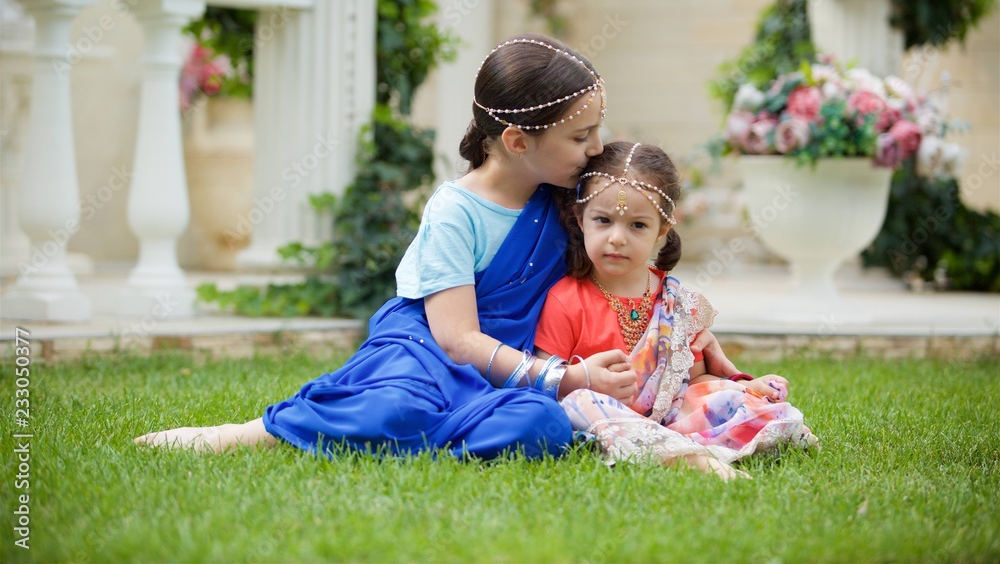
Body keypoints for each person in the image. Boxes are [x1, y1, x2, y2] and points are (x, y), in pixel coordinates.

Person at [136, 35, 646, 459]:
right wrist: (566, 377)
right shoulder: (455, 212)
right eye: (581, 137)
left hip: (509, 372)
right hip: (426, 356)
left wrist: (690, 332)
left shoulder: (571, 196)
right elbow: (458, 341)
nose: (597, 148)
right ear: (517, 142)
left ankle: (403, 442)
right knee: (395, 410)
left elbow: (640, 232)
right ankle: (246, 435)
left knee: (542, 426)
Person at [534, 142, 817, 480]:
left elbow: (693, 380)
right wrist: (588, 382)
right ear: (581, 219)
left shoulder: (674, 299)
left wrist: (743, 387)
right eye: (603, 220)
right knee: (578, 401)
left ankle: (691, 440)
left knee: (734, 397)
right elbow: (548, 381)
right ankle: (690, 460)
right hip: (607, 416)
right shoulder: (566, 298)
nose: (617, 238)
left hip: (672, 414)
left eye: (637, 225)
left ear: (663, 230)